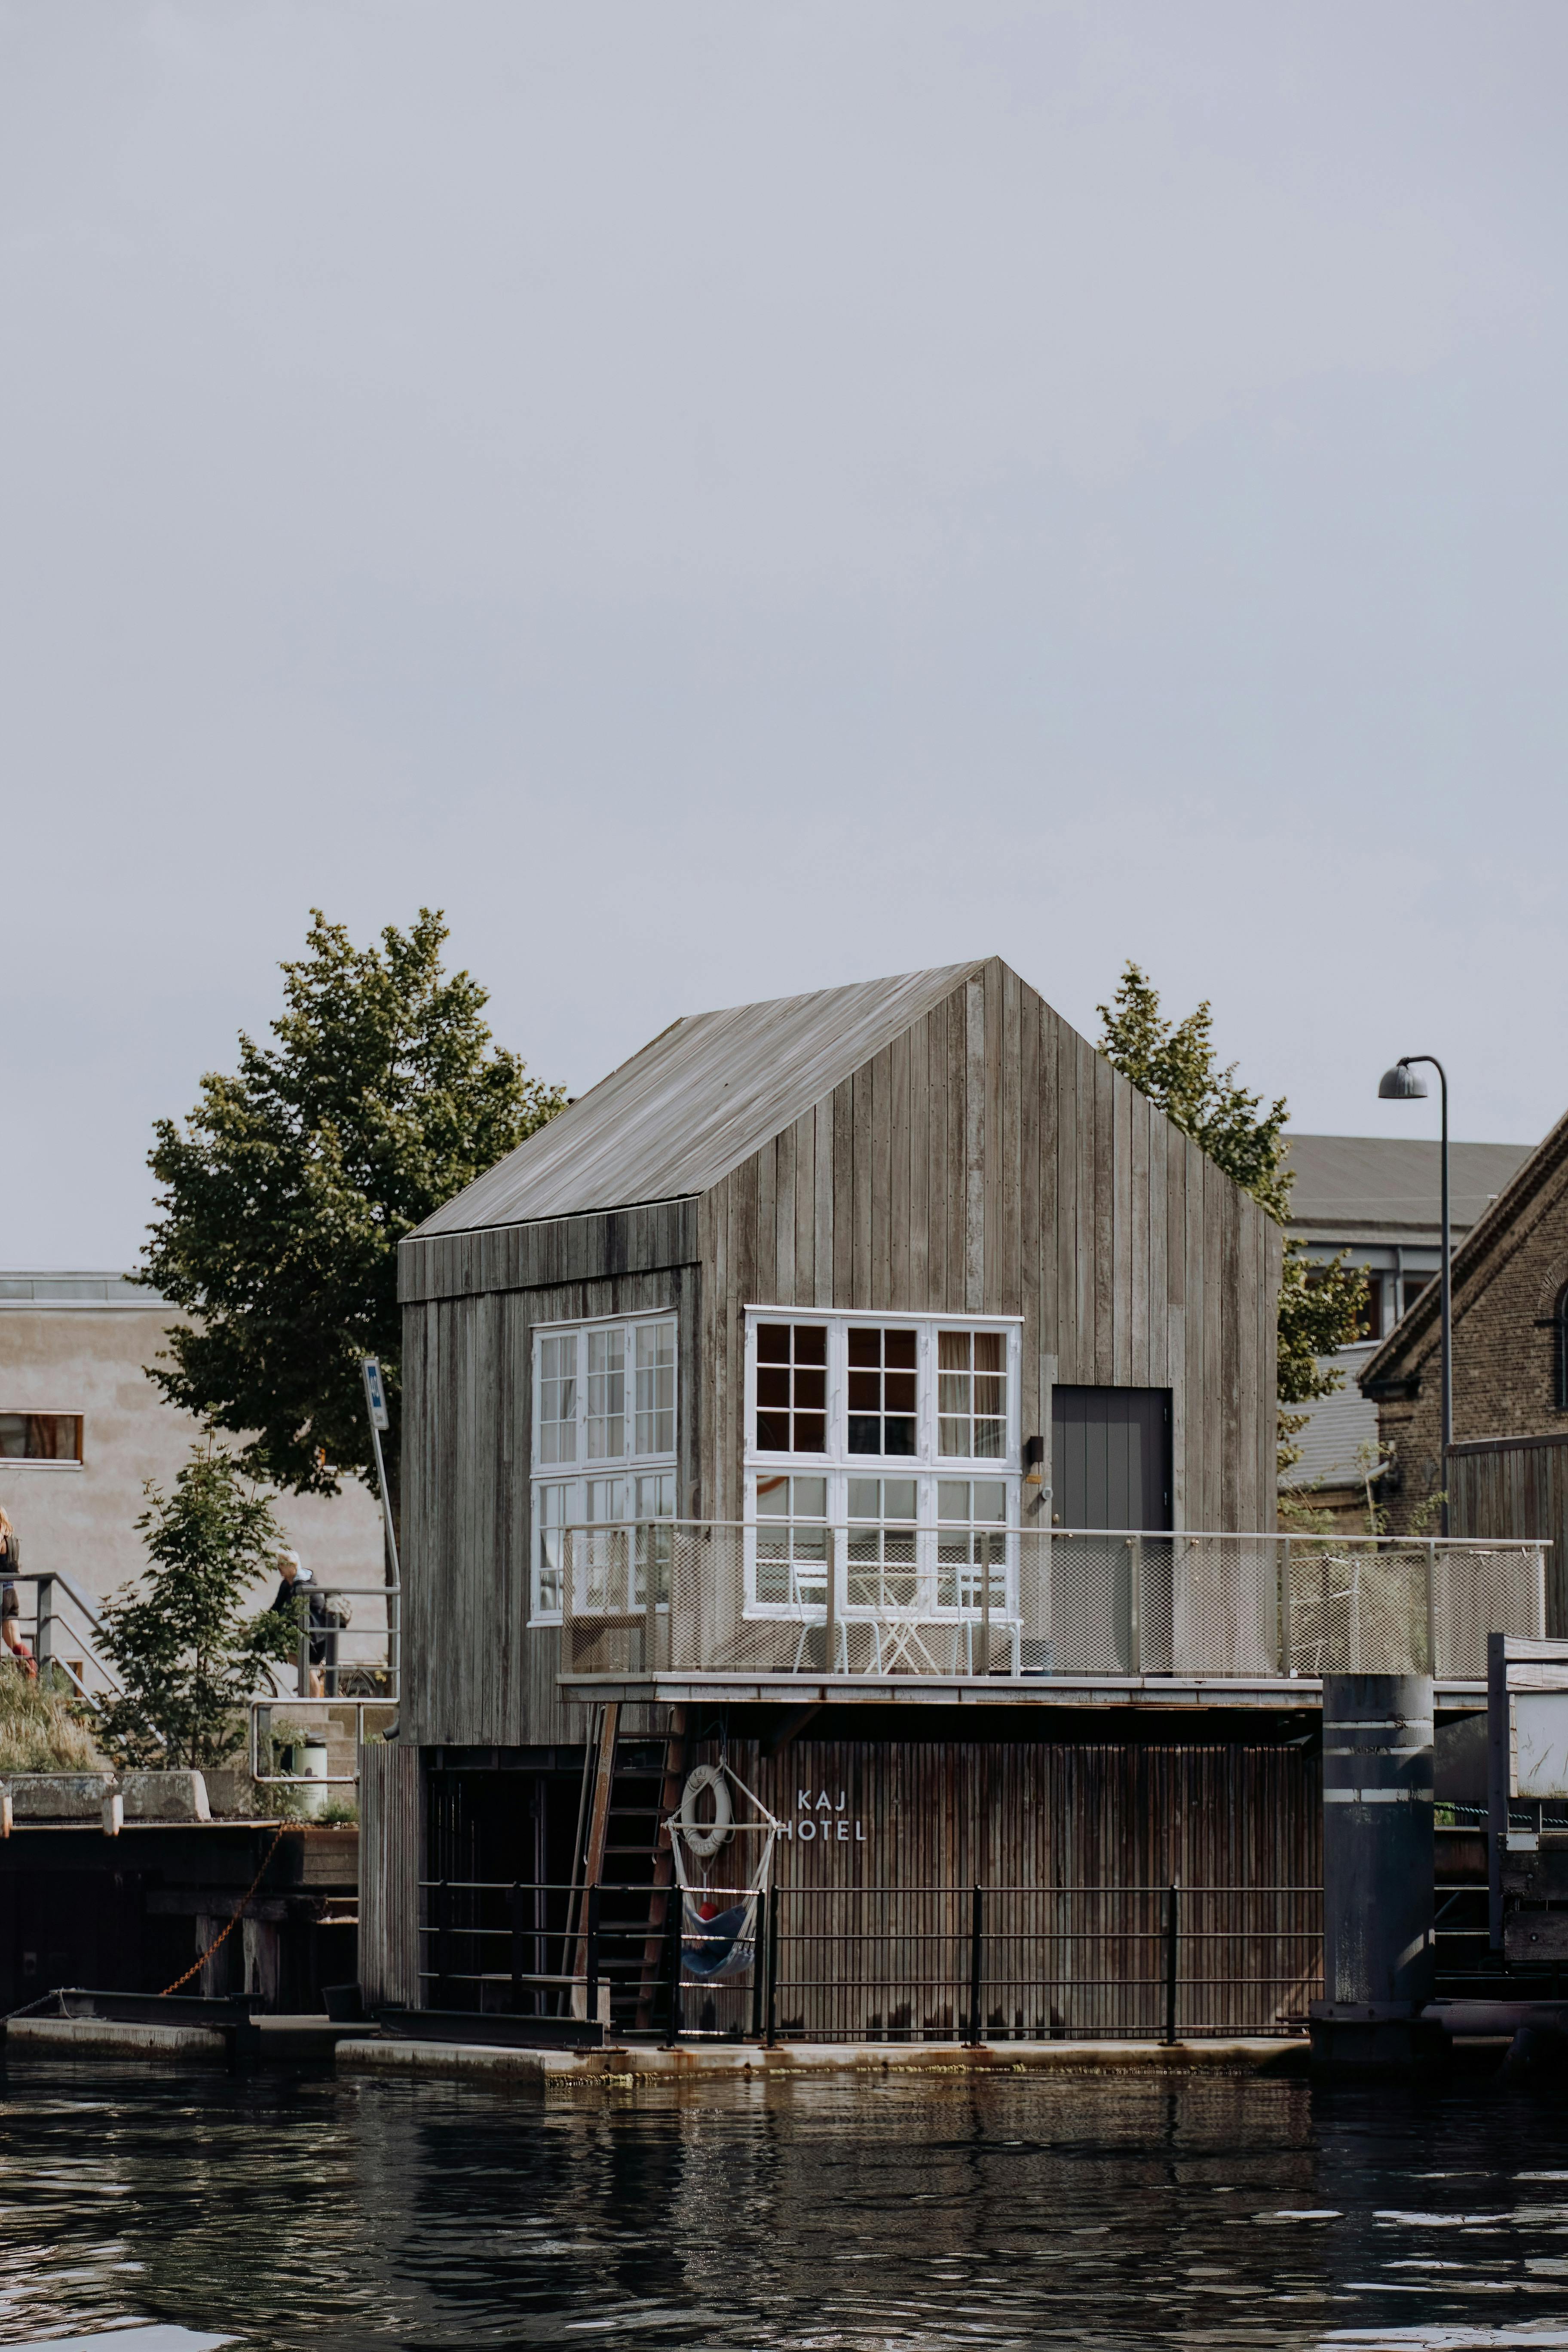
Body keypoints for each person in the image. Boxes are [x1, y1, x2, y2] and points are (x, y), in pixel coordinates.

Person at [272, 1547, 333, 1698]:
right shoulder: (287, 1584)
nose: (279, 1568)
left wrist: (275, 1626)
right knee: (290, 1656)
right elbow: (277, 1609)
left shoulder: (304, 1585)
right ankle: (307, 1692)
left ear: (292, 1566)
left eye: (282, 1564)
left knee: (305, 1664)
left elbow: (291, 1612)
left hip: (316, 1638)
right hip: (302, 1634)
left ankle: (315, 1702)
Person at [0, 1506, 37, 1679]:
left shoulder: (1, 1541)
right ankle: (30, 1670)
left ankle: (30, 1670)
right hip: (10, 1593)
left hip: (1, 1596)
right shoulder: (13, 1541)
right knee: (14, 1641)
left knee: (13, 1641)